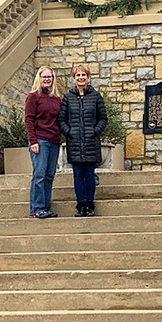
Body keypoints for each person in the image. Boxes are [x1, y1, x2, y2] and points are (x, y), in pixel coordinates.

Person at [58, 64, 107, 217]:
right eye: (78, 75)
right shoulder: (68, 98)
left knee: (89, 174)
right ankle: (81, 205)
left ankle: (90, 205)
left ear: (88, 77)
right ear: (74, 78)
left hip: (91, 142)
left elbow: (103, 119)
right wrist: (69, 132)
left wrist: (94, 131)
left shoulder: (96, 97)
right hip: (74, 143)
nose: (81, 78)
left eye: (83, 75)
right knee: (78, 175)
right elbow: (61, 120)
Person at [24, 66, 62, 219]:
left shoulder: (57, 99)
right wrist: (33, 140)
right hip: (40, 140)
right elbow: (28, 120)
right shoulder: (33, 97)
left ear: (53, 79)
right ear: (39, 78)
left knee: (49, 176)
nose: (47, 79)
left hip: (54, 141)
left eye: (49, 77)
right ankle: (37, 208)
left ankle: (46, 207)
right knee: (39, 174)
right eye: (44, 76)